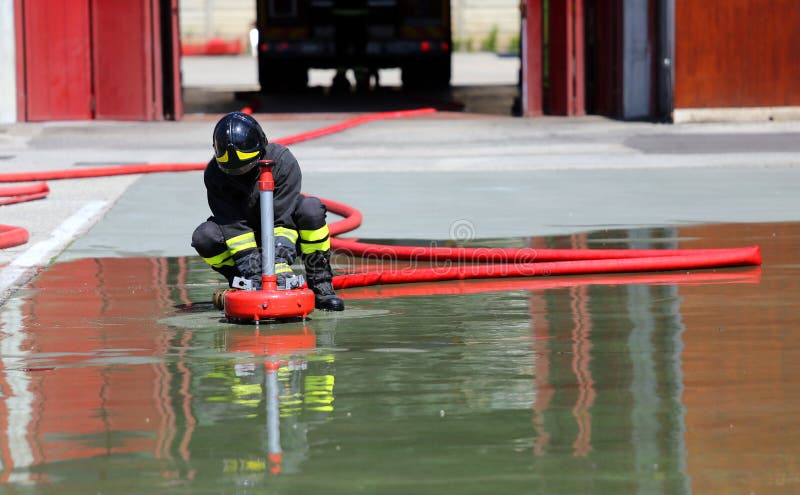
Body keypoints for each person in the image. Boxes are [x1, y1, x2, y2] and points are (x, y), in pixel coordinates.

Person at [192, 112, 344, 311]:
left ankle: (321, 287)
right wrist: (254, 274)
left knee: (311, 209)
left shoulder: (282, 162)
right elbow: (232, 225)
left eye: (245, 168)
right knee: (205, 237)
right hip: (242, 239)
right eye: (233, 171)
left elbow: (283, 221)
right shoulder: (215, 173)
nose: (239, 175)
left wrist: (278, 265)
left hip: (287, 234)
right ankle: (240, 281)